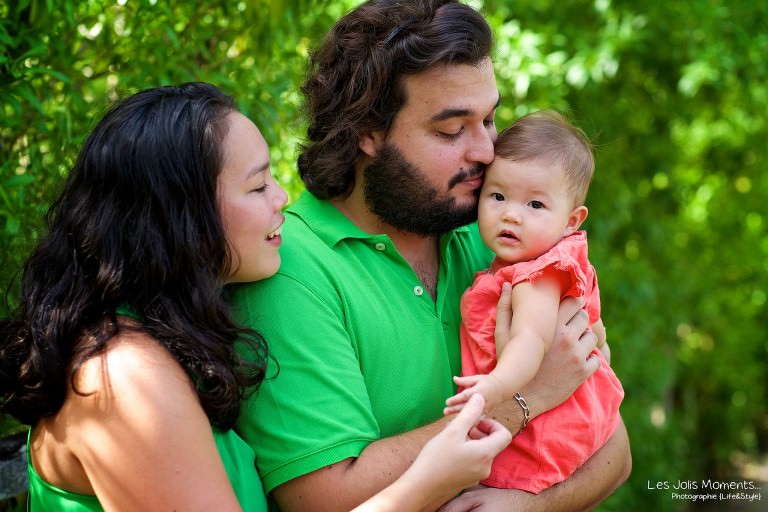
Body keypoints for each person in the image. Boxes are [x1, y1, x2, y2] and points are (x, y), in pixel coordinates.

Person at [0, 82, 512, 512]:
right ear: (186, 220)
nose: (282, 199)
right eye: (257, 185)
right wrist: (426, 482)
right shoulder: (124, 377)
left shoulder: (173, 338)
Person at [229, 1, 632, 511]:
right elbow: (323, 498)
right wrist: (526, 400)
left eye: (489, 119)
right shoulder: (289, 270)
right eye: (451, 129)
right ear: (367, 133)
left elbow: (615, 451)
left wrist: (533, 506)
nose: (486, 150)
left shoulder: (494, 237)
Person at [443, 110, 625, 493]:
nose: (511, 214)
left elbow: (531, 339)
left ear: (571, 220)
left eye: (535, 205)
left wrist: (494, 388)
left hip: (541, 439)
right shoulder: (526, 259)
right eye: (498, 196)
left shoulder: (537, 275)